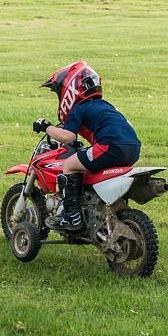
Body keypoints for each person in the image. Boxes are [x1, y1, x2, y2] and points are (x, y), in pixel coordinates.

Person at [31, 61, 140, 232]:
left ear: (70, 90)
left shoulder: (79, 108)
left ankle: (72, 217)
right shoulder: (106, 106)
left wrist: (46, 126)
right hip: (133, 149)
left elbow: (68, 136)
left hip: (110, 147)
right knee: (88, 166)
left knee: (69, 165)